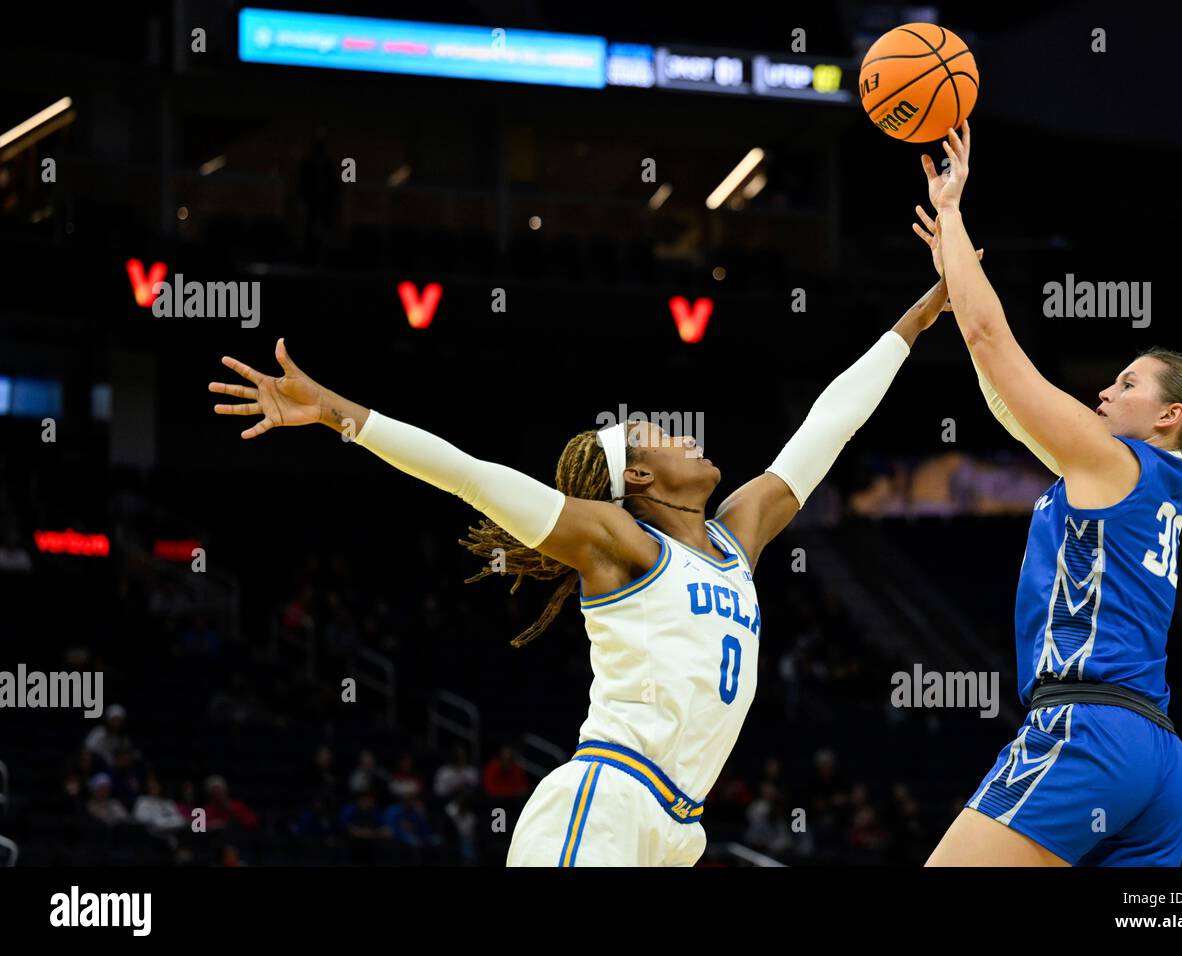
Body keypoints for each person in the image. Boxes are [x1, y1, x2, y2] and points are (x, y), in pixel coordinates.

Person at [208, 272, 950, 865]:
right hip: (607, 801)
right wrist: (340, 413)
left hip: (678, 828)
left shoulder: (737, 541)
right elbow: (469, 474)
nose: (679, 434)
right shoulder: (621, 544)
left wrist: (915, 319)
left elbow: (829, 424)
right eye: (654, 434)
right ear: (642, 483)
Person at [914, 122, 1182, 866]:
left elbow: (995, 345)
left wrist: (955, 213)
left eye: (1127, 382)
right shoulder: (1144, 479)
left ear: (1169, 415)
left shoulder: (1114, 461)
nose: (1104, 388)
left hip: (1088, 732)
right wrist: (958, 277)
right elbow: (1004, 397)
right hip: (1156, 758)